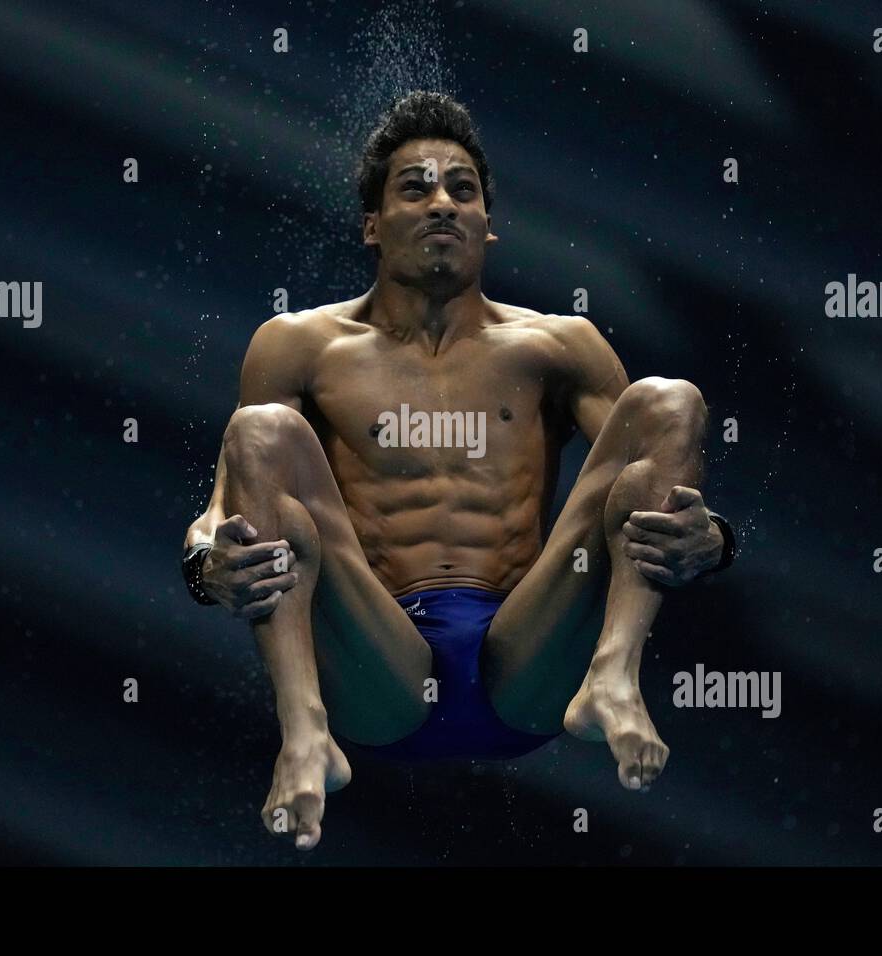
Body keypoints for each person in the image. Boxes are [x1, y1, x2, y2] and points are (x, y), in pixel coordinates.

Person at [181, 91, 736, 851]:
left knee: (668, 402)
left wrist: (714, 539)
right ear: (373, 226)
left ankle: (613, 671)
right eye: (415, 188)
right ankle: (304, 729)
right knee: (262, 430)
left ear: (486, 225)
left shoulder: (557, 345)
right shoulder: (299, 346)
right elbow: (221, 513)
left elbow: (655, 481)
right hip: (377, 661)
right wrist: (206, 563)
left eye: (461, 190)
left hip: (529, 656)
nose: (442, 203)